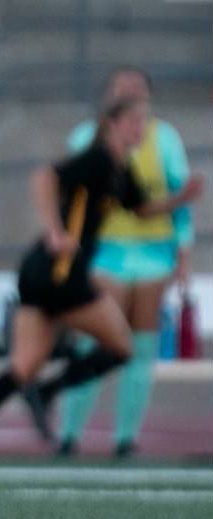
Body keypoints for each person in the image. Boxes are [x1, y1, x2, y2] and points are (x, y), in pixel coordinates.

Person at [0, 96, 202, 459]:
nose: (139, 128)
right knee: (121, 347)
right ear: (112, 124)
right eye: (132, 121)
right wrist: (54, 230)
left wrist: (181, 198)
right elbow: (44, 177)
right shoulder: (97, 158)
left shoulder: (120, 167)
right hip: (58, 272)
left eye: (142, 122)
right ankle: (47, 392)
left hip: (45, 272)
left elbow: (141, 208)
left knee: (24, 365)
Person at [57, 69, 198, 457]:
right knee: (95, 340)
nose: (130, 95)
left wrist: (183, 252)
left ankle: (125, 438)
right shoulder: (87, 138)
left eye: (137, 89)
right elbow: (67, 195)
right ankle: (69, 434)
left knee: (141, 346)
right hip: (105, 253)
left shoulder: (165, 139)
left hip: (153, 255)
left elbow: (179, 197)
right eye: (122, 88)